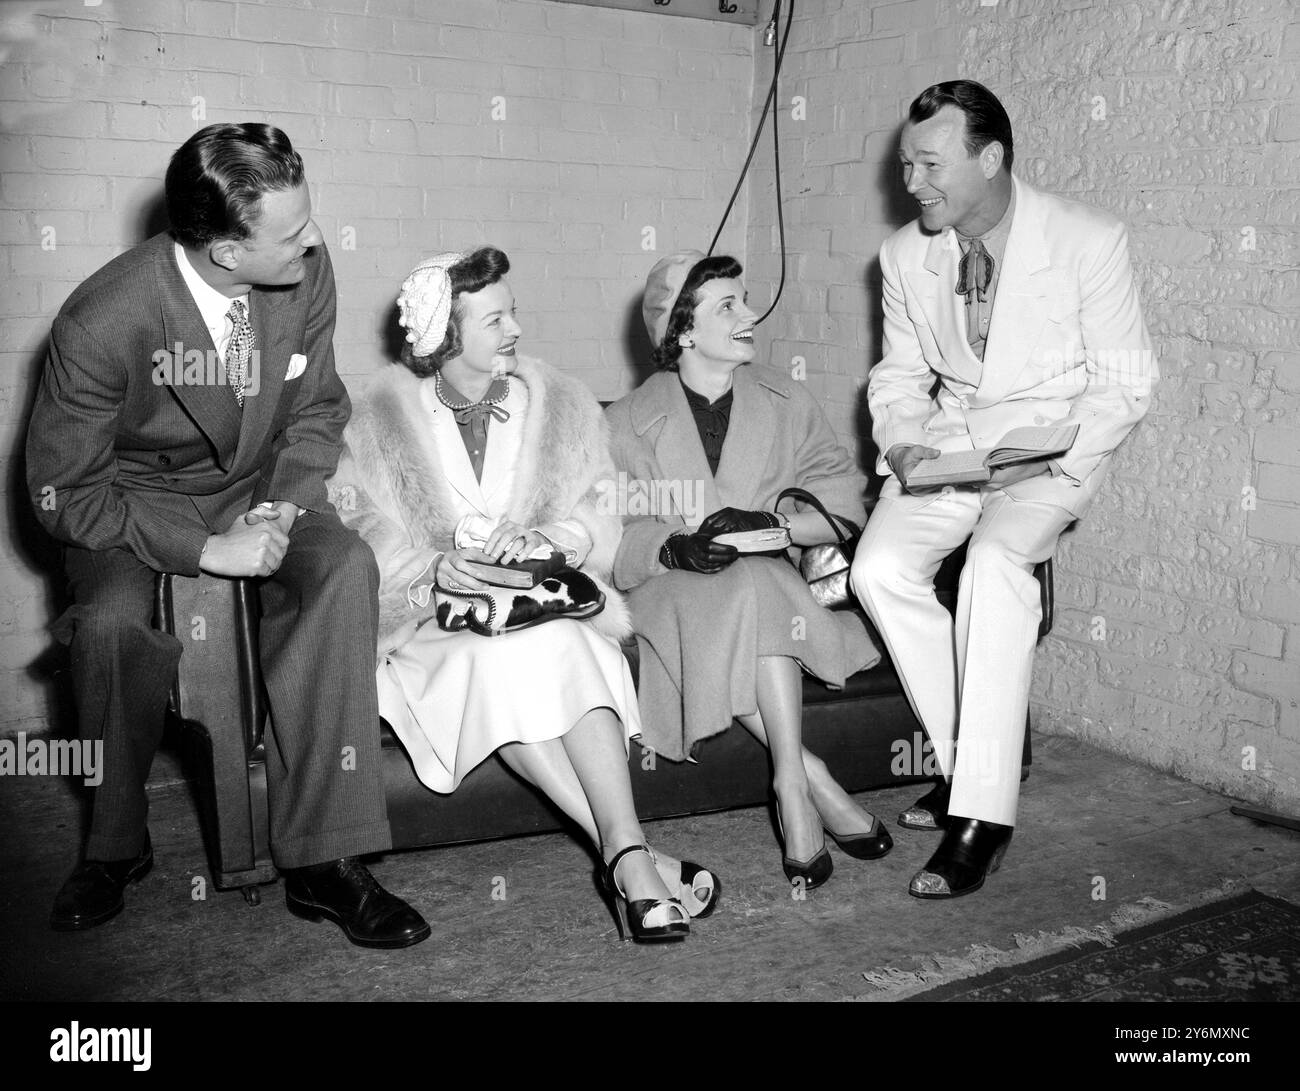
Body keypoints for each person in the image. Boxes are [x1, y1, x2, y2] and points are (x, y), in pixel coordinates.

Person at [26, 123, 429, 948]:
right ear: (222, 253)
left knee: (344, 567)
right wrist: (204, 550)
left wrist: (282, 507)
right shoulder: (101, 321)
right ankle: (114, 844)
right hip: (131, 503)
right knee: (108, 629)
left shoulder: (302, 272)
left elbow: (318, 407)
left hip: (260, 487)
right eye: (291, 233)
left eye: (309, 219)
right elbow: (60, 490)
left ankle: (326, 859)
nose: (316, 240)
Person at [328, 248, 719, 943]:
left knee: (560, 639)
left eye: (514, 313)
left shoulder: (560, 405)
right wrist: (440, 563)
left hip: (535, 605)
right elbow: (362, 530)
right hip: (435, 623)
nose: (514, 329)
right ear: (446, 336)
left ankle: (624, 854)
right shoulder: (378, 423)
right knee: (503, 660)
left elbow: (602, 507)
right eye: (494, 318)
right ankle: (635, 856)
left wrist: (549, 541)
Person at [850, 80, 1155, 899]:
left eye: (929, 163)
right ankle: (967, 766)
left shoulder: (1090, 238)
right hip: (950, 449)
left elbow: (1126, 384)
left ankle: (981, 817)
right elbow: (899, 375)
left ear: (991, 158)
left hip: (1051, 452)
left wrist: (1043, 460)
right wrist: (905, 442)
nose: (912, 182)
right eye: (906, 162)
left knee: (992, 567)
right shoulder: (905, 256)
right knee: (875, 571)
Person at [605, 251, 889, 890]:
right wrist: (670, 546)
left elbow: (843, 495)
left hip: (767, 584)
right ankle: (806, 778)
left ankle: (793, 777)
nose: (749, 314)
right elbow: (604, 531)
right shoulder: (622, 421)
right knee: (751, 588)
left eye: (745, 300)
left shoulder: (787, 399)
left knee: (755, 581)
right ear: (682, 330)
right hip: (668, 594)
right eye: (727, 305)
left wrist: (776, 527)